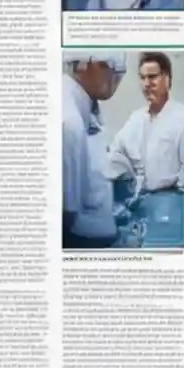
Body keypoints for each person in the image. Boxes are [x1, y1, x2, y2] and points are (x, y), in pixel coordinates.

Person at [62, 52, 124, 248]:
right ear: (81, 65)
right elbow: (65, 218)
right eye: (108, 65)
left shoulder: (88, 109)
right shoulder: (69, 122)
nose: (117, 74)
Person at [106, 52, 184, 192]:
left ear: (167, 79)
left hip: (172, 199)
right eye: (142, 77)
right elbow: (115, 151)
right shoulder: (136, 119)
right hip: (139, 200)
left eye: (152, 77)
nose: (146, 84)